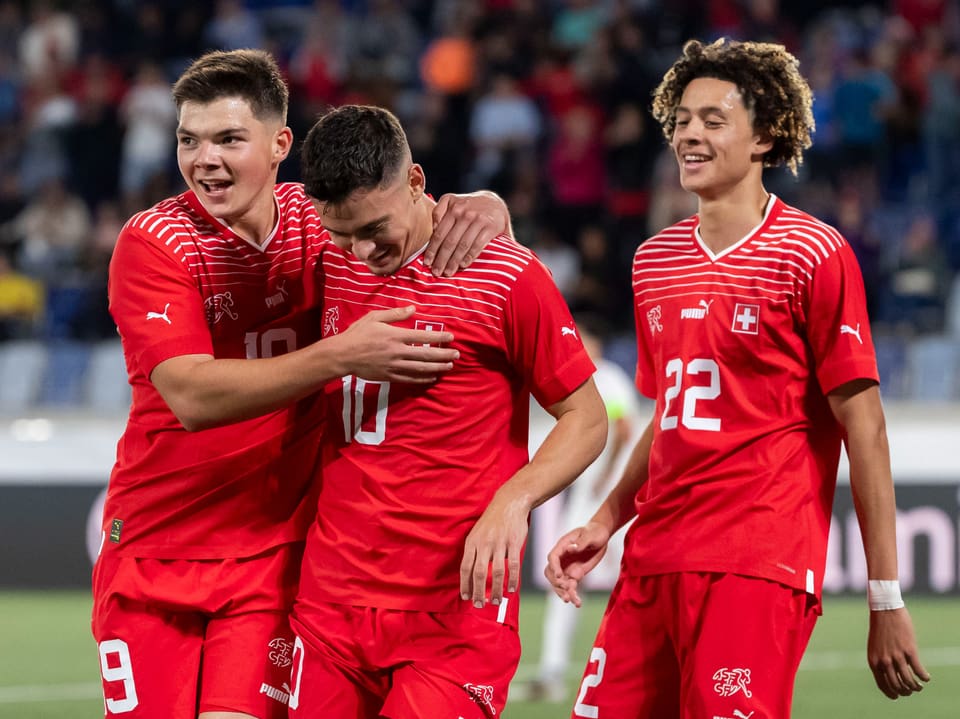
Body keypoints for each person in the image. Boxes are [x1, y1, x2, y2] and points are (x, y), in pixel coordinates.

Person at [92, 49, 512, 719]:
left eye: (229, 139)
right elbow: (192, 396)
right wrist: (339, 355)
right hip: (154, 547)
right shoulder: (155, 242)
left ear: (281, 144)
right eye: (189, 140)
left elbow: (407, 219)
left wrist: (487, 204)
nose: (205, 160)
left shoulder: (322, 224)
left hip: (273, 555)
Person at [545, 38, 930, 719]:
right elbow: (669, 417)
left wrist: (885, 596)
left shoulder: (813, 253)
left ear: (765, 136)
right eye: (682, 120)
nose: (690, 134)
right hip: (654, 557)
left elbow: (865, 428)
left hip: (756, 561)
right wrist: (605, 520)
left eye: (713, 120)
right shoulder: (652, 260)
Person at [287, 104, 608, 718]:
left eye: (375, 228)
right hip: (331, 601)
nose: (360, 250)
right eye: (342, 232)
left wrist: (513, 501)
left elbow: (587, 418)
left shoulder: (505, 273)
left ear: (415, 181)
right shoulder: (322, 257)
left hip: (456, 606)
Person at [520, 315, 643, 703]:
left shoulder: (609, 378)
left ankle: (640, 669)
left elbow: (624, 430)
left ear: (597, 346)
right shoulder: (580, 381)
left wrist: (606, 475)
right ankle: (552, 670)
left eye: (584, 341)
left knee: (636, 580)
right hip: (589, 500)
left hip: (616, 500)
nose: (578, 347)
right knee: (565, 578)